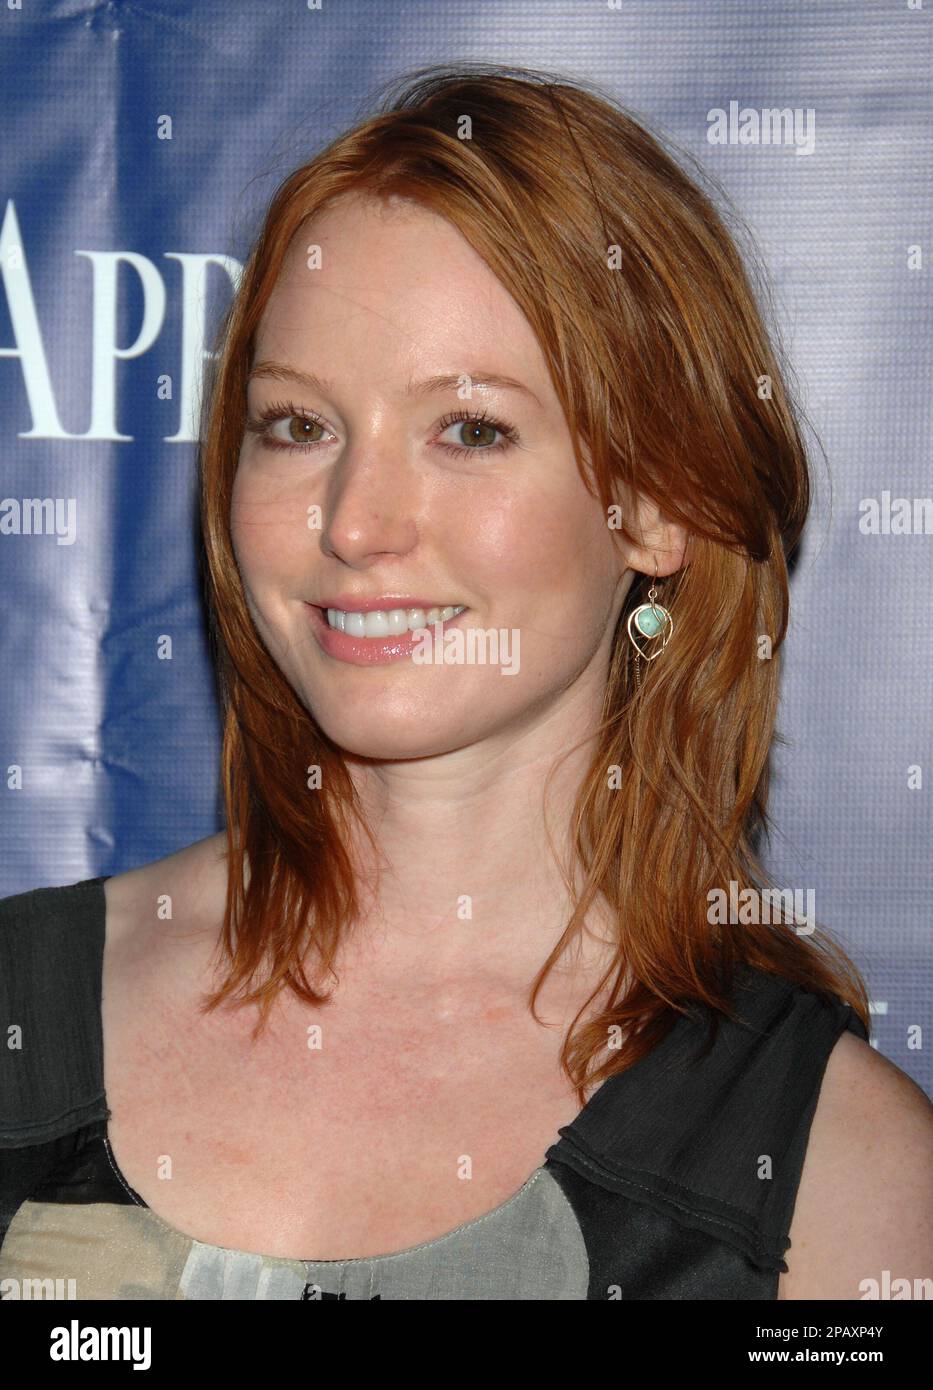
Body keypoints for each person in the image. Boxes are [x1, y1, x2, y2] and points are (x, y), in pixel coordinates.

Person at [1, 63, 931, 1302]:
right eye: (298, 426)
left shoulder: (835, 1174)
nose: (354, 523)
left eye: (471, 429)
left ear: (658, 502)